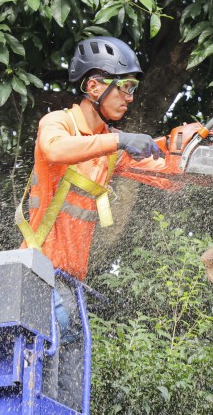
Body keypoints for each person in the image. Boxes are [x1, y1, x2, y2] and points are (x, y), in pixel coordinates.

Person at [18, 36, 182, 281]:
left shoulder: (110, 146)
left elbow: (168, 175)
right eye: (125, 86)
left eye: (132, 88)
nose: (130, 97)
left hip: (70, 281)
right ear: (94, 87)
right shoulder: (59, 123)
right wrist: (119, 141)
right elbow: (55, 149)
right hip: (37, 273)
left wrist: (203, 152)